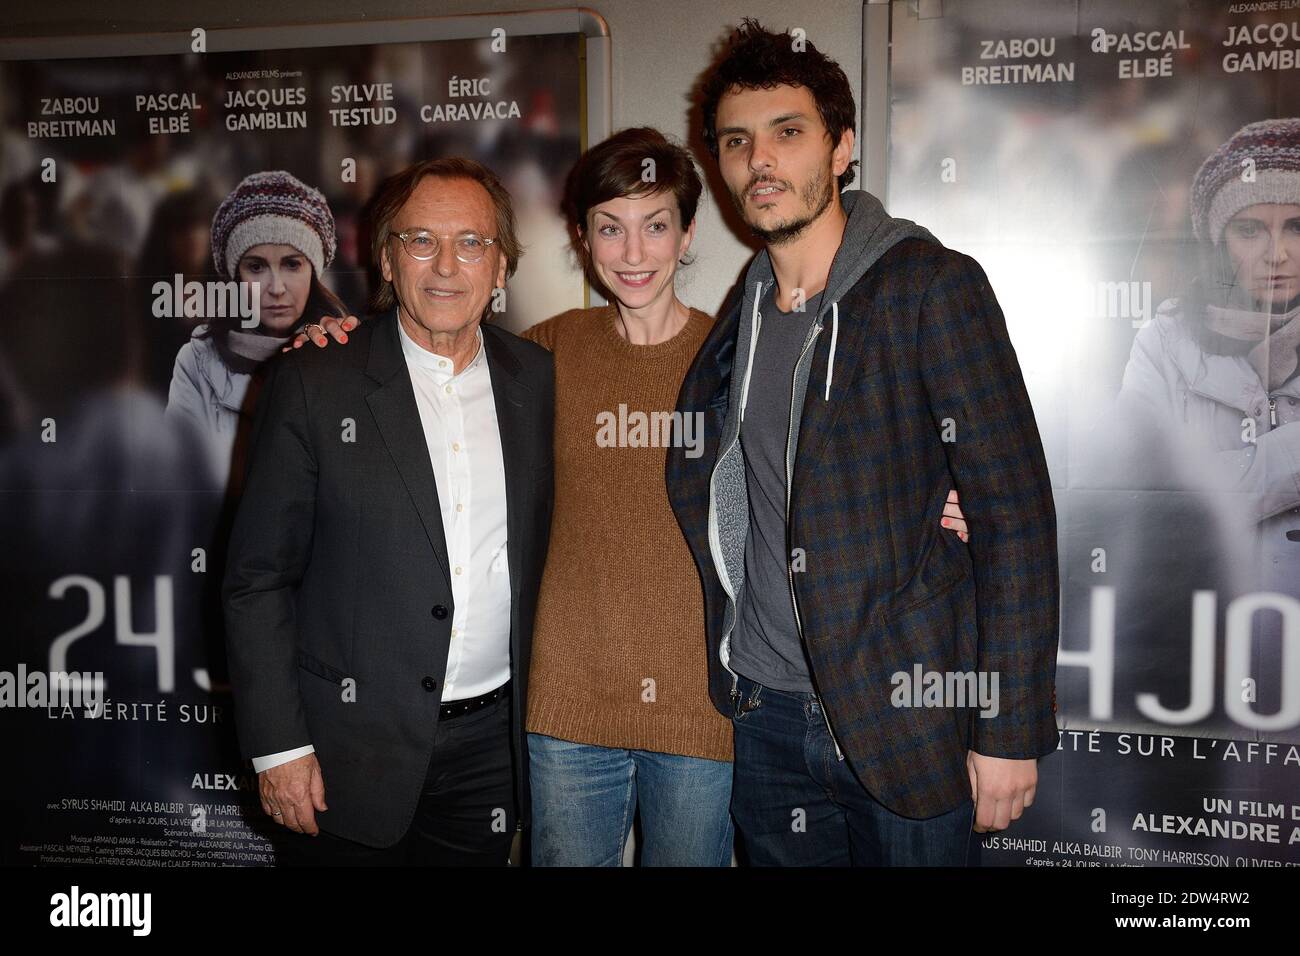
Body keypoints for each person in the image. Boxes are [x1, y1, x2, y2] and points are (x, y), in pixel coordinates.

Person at [295, 130, 972, 867]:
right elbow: (430, 360)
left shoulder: (737, 356)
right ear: (584, 242)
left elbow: (822, 469)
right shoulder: (540, 355)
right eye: (610, 229)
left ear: (686, 238)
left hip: (701, 710)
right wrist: (347, 336)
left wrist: (933, 499)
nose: (634, 252)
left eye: (656, 226)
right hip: (566, 709)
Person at [665, 19, 1059, 866]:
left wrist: (1011, 727)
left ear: (842, 148)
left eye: (788, 133)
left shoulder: (928, 287)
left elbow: (1014, 516)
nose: (760, 161)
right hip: (765, 714)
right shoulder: (746, 310)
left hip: (905, 716)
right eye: (738, 142)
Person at [222, 157, 554, 865]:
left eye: (472, 243)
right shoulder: (315, 381)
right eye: (420, 241)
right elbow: (256, 579)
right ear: (387, 260)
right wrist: (280, 746)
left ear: (501, 269)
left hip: (491, 755)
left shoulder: (537, 380)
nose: (445, 265)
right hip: (344, 753)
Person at [1114, 117, 1300, 719]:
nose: (1278, 252)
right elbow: (1143, 499)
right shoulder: (1165, 341)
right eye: (1251, 229)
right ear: (1219, 241)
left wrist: (1216, 476)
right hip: (1193, 655)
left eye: (1297, 225)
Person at [164, 170, 348, 489]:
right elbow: (178, 484)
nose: (276, 288)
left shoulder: (344, 349)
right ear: (235, 277)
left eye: (292, 264)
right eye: (256, 266)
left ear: (314, 273)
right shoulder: (196, 361)